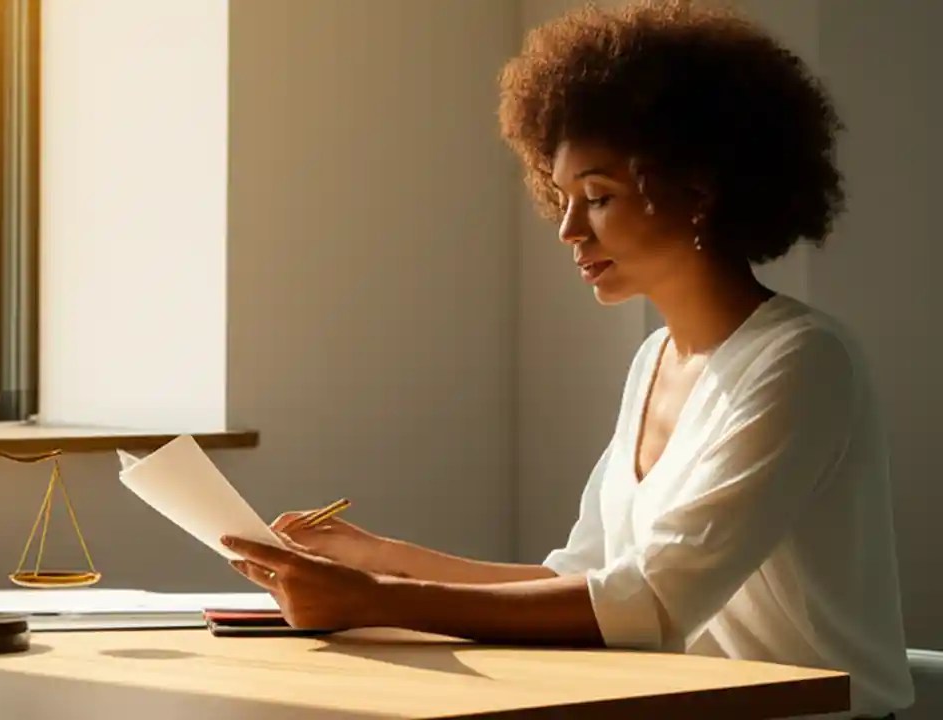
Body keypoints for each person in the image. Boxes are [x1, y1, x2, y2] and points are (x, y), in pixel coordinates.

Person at [221, 1, 914, 718]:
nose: (567, 229)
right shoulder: (654, 360)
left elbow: (648, 602)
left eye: (598, 197)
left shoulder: (801, 363)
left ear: (699, 192)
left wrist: (378, 600)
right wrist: (382, 559)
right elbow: (586, 580)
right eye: (561, 197)